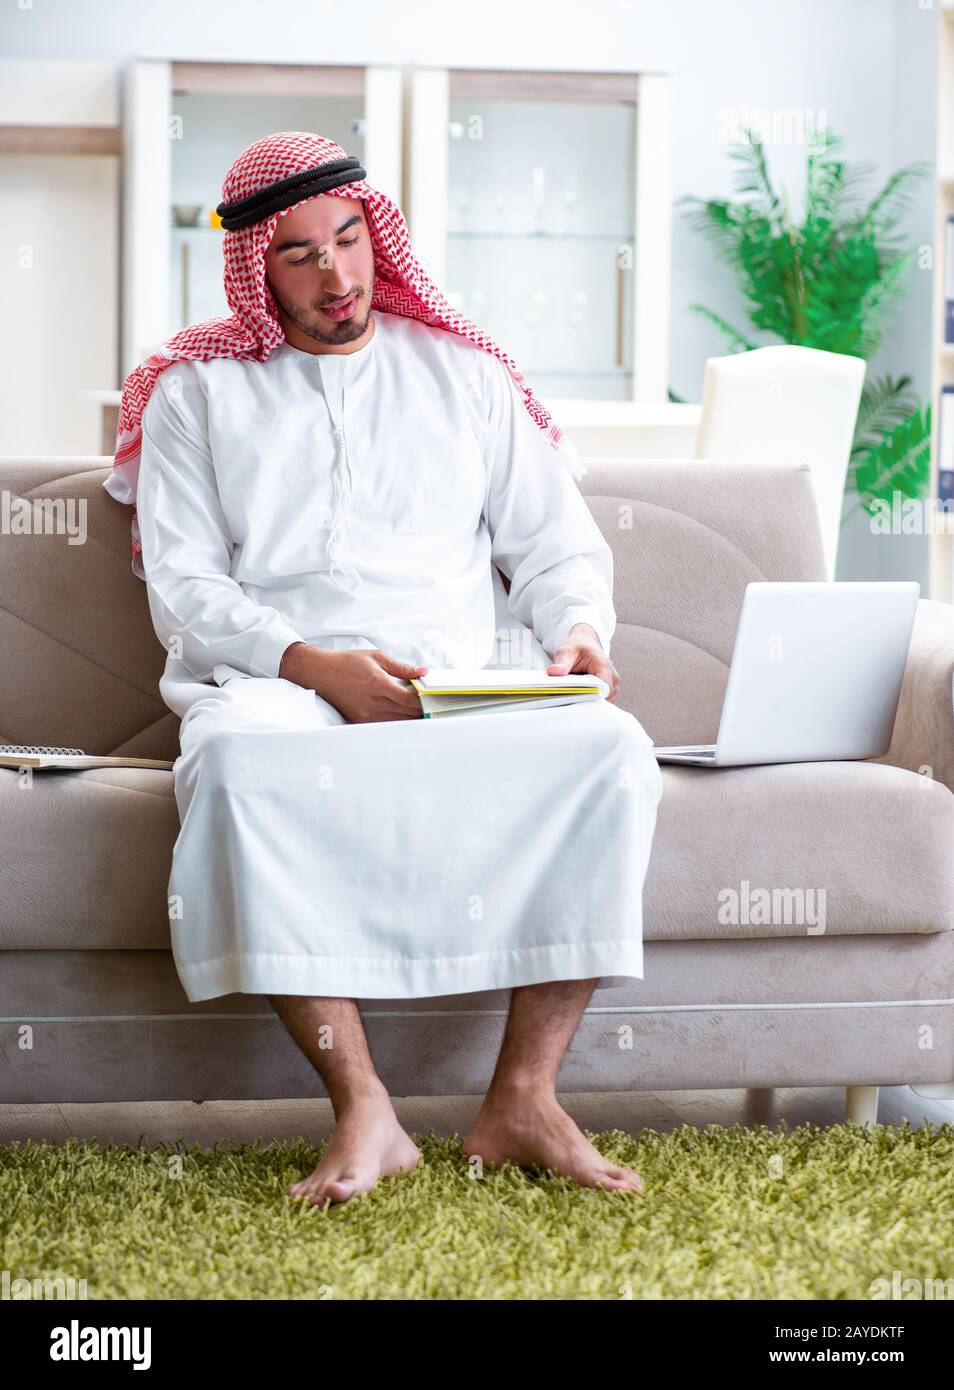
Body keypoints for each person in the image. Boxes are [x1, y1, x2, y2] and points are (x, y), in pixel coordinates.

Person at [104, 132, 664, 1207]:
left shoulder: (464, 370)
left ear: (377, 234)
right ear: (255, 269)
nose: (337, 275)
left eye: (352, 240)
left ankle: (525, 1097)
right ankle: (364, 1104)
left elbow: (554, 547)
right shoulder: (197, 393)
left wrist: (581, 628)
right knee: (232, 766)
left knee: (611, 749)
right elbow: (183, 590)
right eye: (301, 254)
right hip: (280, 685)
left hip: (460, 681)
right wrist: (315, 666)